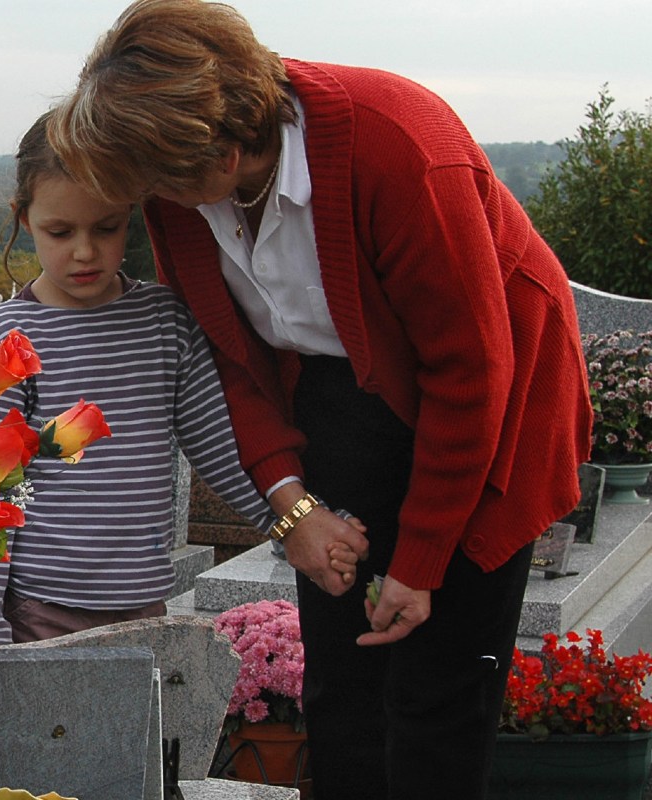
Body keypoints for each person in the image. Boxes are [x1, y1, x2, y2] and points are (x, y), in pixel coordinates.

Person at [45, 1, 592, 796]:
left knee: (437, 690)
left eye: (163, 182)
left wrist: (423, 560)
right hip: (337, 391)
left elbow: (471, 376)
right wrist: (294, 511)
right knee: (342, 688)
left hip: (492, 405)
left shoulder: (399, 146)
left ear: (228, 148)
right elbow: (236, 359)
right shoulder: (177, 188)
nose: (154, 201)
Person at [0, 112, 279, 647]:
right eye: (60, 231)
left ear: (132, 214)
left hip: (145, 607)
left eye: (107, 227)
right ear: (24, 219)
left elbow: (218, 447)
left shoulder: (164, 319)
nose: (84, 251)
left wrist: (290, 524)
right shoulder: (9, 333)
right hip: (40, 610)